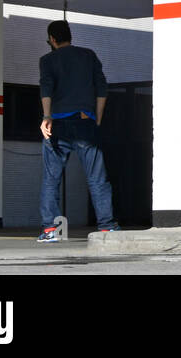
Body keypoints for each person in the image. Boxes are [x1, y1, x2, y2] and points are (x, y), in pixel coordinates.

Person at [37, 19, 119, 240]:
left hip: (58, 124)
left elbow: (46, 87)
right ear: (69, 36)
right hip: (85, 122)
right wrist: (97, 120)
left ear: (52, 39)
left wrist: (46, 117)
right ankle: (107, 227)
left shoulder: (47, 60)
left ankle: (50, 230)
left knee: (51, 178)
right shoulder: (88, 56)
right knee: (97, 178)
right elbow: (102, 89)